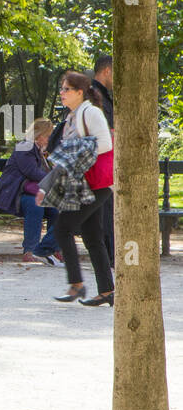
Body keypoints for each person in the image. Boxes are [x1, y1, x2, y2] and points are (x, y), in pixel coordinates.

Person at [38, 71, 114, 306]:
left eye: (66, 89)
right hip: (86, 182)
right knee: (92, 236)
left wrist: (76, 154)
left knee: (63, 228)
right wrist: (47, 185)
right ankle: (107, 291)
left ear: (80, 92)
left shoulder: (90, 112)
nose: (62, 93)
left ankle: (76, 284)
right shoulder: (73, 116)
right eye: (61, 88)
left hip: (98, 182)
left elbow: (105, 144)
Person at [0, 118, 60, 264]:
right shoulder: (24, 147)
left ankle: (51, 249)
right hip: (15, 193)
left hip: (30, 191)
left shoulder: (41, 150)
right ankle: (30, 250)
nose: (49, 139)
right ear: (39, 135)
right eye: (48, 136)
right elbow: (31, 172)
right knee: (35, 205)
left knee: (57, 209)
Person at [91, 55, 115, 259]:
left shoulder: (101, 95)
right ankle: (109, 255)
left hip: (103, 163)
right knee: (104, 211)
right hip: (100, 163)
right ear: (107, 71)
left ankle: (108, 255)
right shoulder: (95, 95)